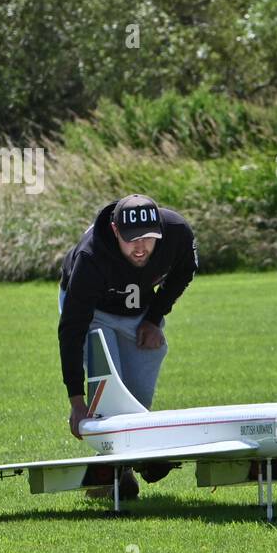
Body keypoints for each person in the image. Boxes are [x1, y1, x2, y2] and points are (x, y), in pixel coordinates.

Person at [58, 194, 198, 498]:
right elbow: (72, 329)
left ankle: (120, 466)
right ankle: (109, 480)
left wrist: (154, 318)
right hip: (92, 313)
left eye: (149, 238)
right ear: (114, 230)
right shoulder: (91, 257)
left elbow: (184, 272)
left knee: (137, 398)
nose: (141, 247)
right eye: (132, 239)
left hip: (138, 312)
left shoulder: (177, 233)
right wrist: (76, 401)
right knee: (109, 387)